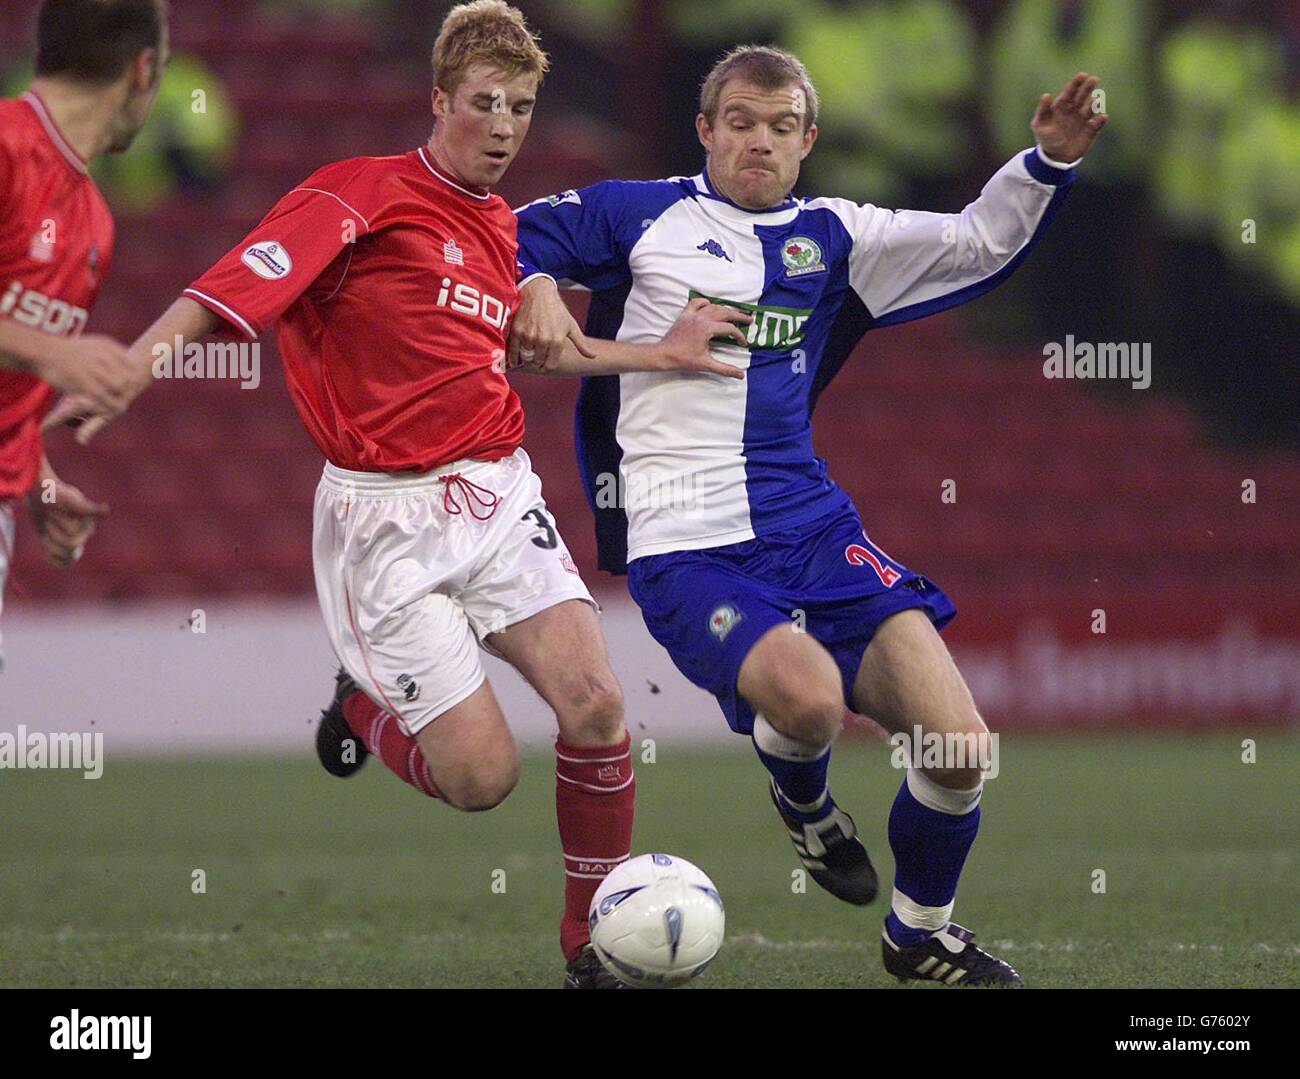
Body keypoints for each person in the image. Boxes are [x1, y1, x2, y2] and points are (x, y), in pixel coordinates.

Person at [50, 0, 747, 988]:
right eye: (485, 102)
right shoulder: (357, 196)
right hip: (384, 521)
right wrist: (136, 362)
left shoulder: (501, 228)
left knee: (595, 705)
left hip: (497, 493)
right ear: (439, 101)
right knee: (481, 779)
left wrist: (660, 351)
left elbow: (526, 350)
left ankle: (584, 946)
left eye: (521, 106)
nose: (504, 125)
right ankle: (360, 706)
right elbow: (232, 285)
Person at [509, 45, 1108, 986]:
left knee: (959, 751)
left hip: (813, 527)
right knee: (811, 699)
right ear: (705, 131)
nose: (759, 142)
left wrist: (1046, 164)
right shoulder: (639, 213)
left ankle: (920, 934)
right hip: (685, 542)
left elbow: (975, 243)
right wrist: (538, 282)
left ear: (808, 140)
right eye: (739, 123)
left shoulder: (836, 235)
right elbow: (503, 233)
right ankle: (807, 802)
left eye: (780, 127)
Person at [0, 0, 169, 669]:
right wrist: (55, 352)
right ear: (143, 68)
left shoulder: (94, 224)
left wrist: (35, 480)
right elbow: (38, 350)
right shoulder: (6, 146)